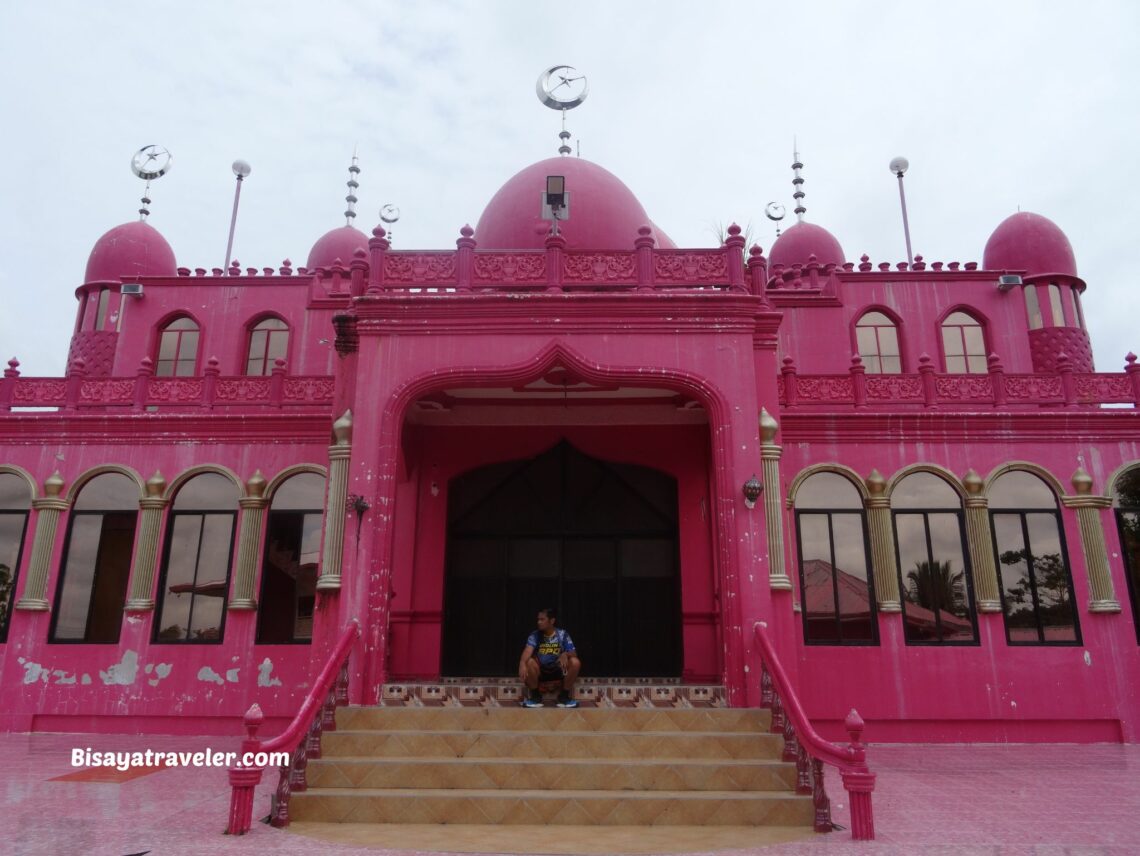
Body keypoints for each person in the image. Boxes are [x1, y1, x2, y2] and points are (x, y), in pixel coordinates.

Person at [518, 607, 581, 708]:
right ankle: (535, 698)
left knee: (575, 662)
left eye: (542, 619)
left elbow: (573, 653)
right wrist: (522, 663)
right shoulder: (535, 635)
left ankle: (564, 698)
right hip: (541, 672)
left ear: (552, 621)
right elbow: (528, 650)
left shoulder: (562, 634)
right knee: (528, 661)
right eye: (538, 619)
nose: (539, 622)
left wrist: (565, 654)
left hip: (559, 671)